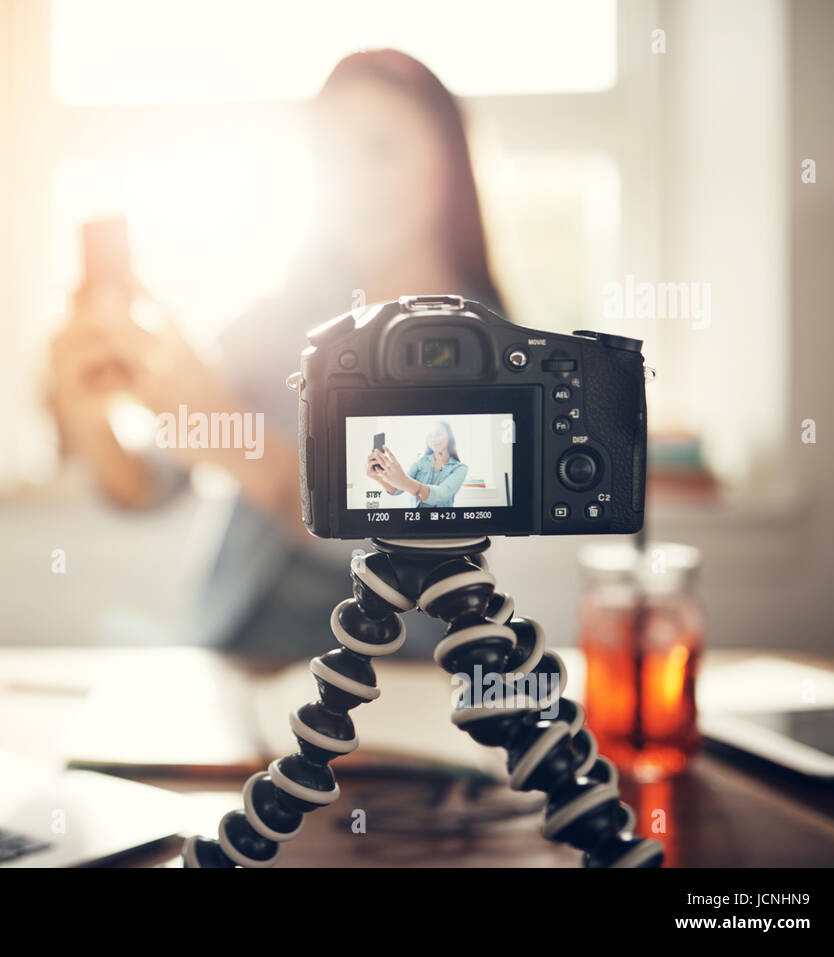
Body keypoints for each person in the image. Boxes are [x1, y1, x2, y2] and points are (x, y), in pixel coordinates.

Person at [47, 49, 506, 658]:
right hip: (236, 661)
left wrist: (237, 440)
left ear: (449, 160)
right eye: (331, 158)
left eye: (380, 150)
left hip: (400, 677)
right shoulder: (283, 321)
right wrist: (84, 410)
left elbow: (407, 537)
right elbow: (145, 484)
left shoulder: (494, 352)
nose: (356, 183)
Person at [367, 422, 469, 508]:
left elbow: (442, 495)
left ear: (449, 436)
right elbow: (397, 489)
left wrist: (405, 481)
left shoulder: (460, 468)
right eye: (430, 436)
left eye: (438, 434)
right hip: (414, 520)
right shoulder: (420, 462)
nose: (433, 439)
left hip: (441, 523)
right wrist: (378, 478)